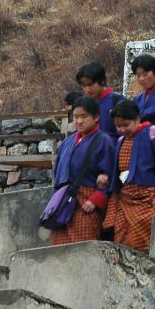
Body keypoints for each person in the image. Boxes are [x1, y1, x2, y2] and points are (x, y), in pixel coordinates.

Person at [107, 101, 155, 252]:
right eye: (118, 126)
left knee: (144, 245)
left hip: (148, 201)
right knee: (122, 245)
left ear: (138, 118)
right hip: (125, 201)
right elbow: (116, 175)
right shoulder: (120, 141)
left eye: (126, 124)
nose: (122, 129)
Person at [49, 96, 115, 245]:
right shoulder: (67, 142)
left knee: (84, 250)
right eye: (76, 117)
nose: (79, 121)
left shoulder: (103, 141)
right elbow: (58, 173)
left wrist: (97, 198)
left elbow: (111, 175)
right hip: (62, 205)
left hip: (86, 206)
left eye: (84, 116)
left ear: (96, 116)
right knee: (58, 252)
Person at [76, 62, 127, 137]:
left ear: (102, 81)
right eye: (84, 86)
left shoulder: (117, 101)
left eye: (90, 84)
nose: (87, 89)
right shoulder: (84, 105)